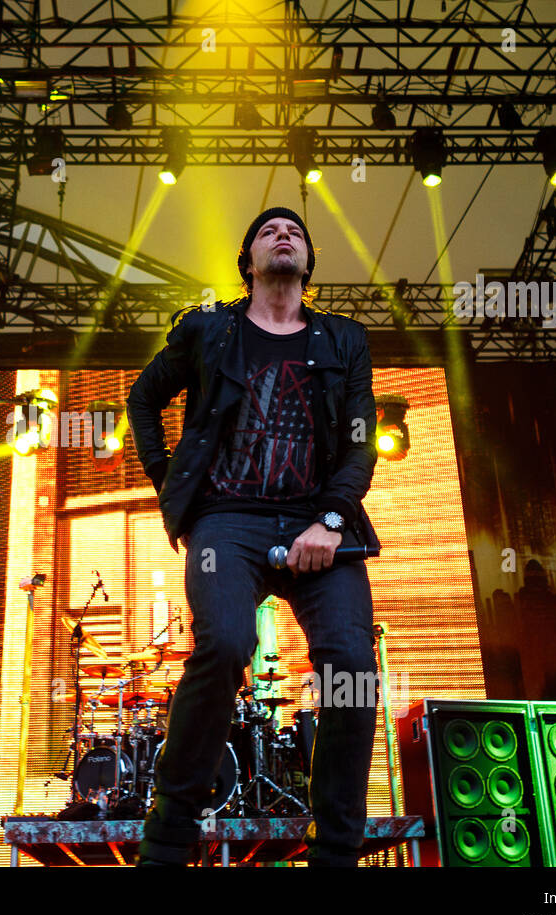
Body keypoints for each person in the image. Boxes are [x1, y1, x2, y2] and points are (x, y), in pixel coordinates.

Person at [126, 206, 382, 866]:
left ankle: (335, 851)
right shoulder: (209, 330)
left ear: (308, 258)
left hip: (317, 518)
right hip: (227, 519)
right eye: (269, 230)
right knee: (225, 646)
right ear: (248, 261)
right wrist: (169, 484)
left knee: (353, 669)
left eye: (294, 230)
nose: (283, 234)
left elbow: (359, 445)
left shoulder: (345, 340)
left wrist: (329, 521)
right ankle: (169, 835)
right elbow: (142, 399)